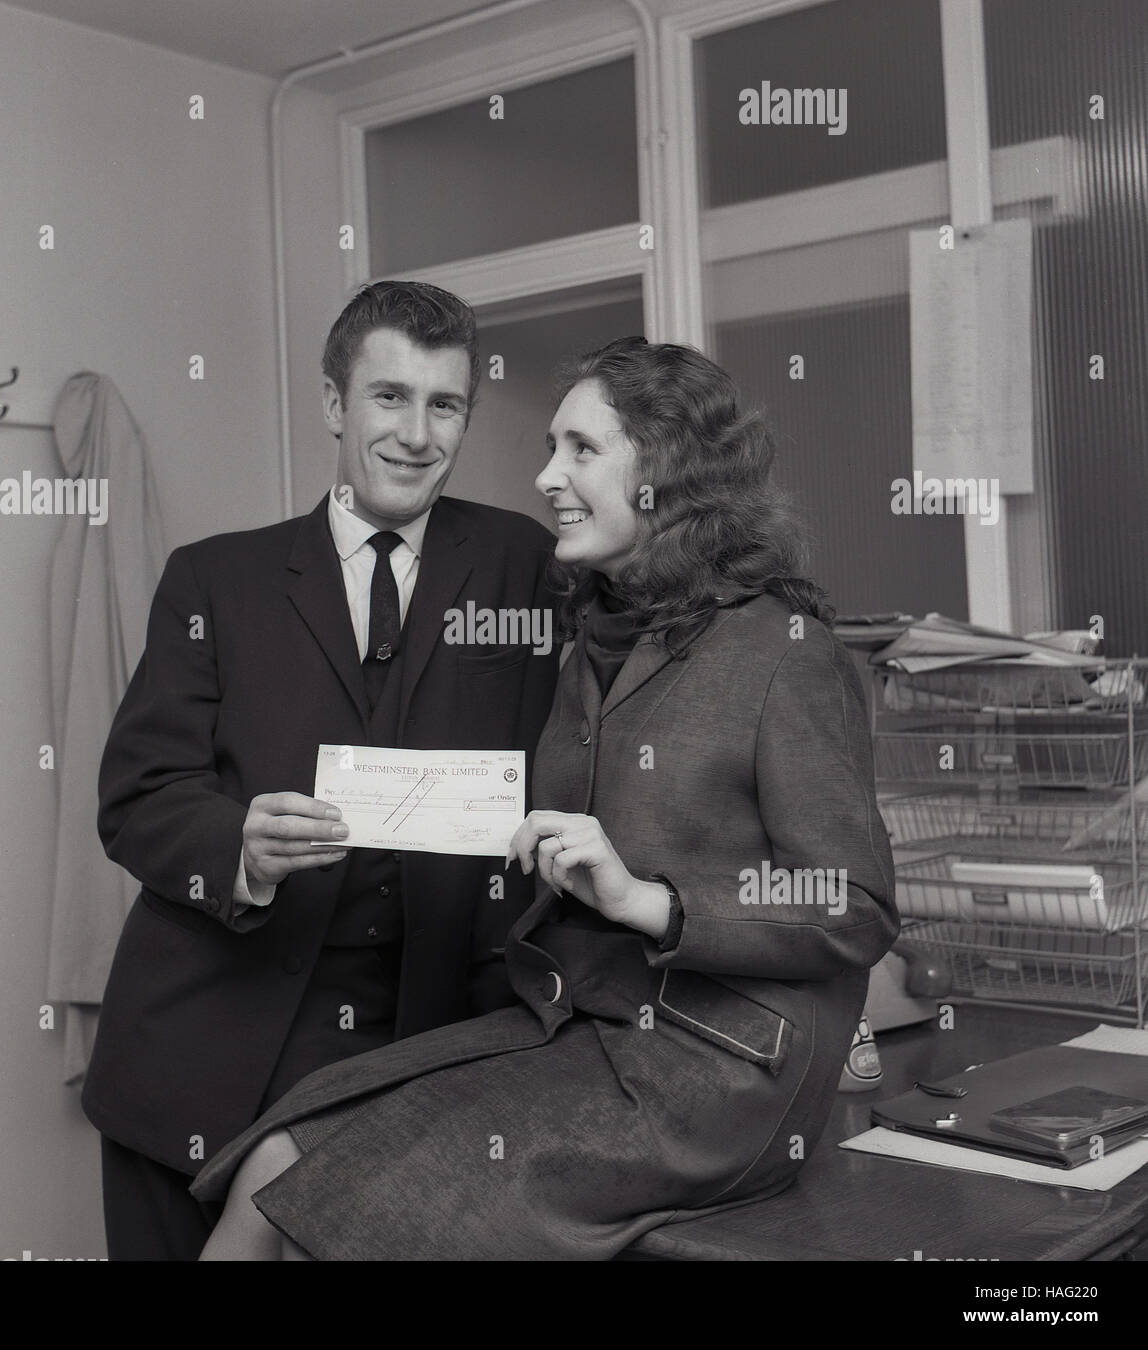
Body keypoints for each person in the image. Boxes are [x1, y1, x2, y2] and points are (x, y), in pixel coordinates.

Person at [190, 336, 900, 1261]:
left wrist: (649, 903)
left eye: (581, 450)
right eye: (551, 447)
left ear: (669, 472)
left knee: (330, 1202)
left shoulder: (783, 649)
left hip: (718, 1071)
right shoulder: (590, 643)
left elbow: (855, 903)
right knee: (273, 1161)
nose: (545, 476)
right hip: (579, 1024)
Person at [82, 281, 560, 1260]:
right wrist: (238, 849)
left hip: (406, 1058)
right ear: (336, 405)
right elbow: (136, 797)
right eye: (389, 397)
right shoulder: (214, 579)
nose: (417, 434)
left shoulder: (526, 567)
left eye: (445, 405)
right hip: (194, 1047)